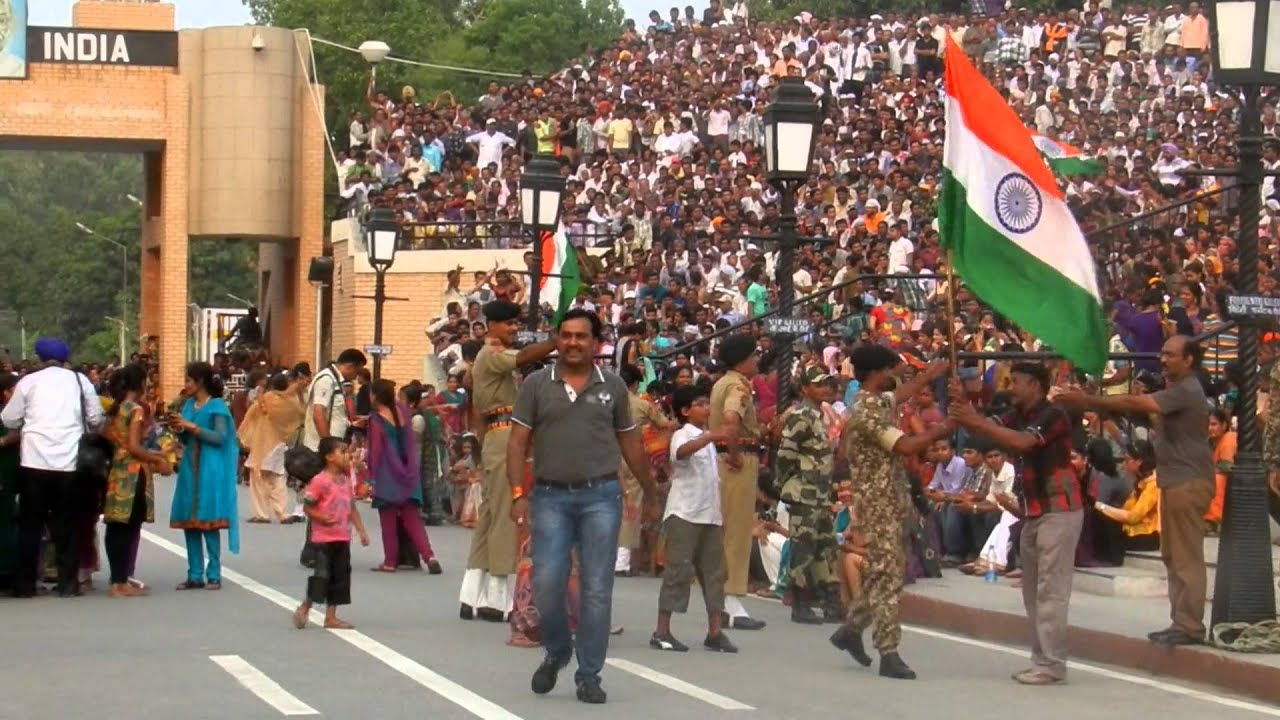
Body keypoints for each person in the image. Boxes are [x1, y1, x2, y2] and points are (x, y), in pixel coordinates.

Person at [507, 308, 655, 704]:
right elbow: (518, 442)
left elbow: (631, 443)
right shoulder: (536, 384)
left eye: (581, 336)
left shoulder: (615, 387)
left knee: (595, 590)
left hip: (601, 497)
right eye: (566, 335)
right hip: (550, 497)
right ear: (557, 339)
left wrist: (651, 491)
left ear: (596, 343)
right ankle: (558, 650)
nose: (573, 343)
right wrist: (517, 495)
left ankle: (589, 674)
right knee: (547, 584)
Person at [1058, 336, 1214, 646]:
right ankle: (1181, 622)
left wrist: (1088, 401)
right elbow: (1142, 410)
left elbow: (1135, 403)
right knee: (1173, 555)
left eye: (1171, 355)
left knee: (1186, 557)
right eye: (1162, 353)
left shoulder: (1187, 390)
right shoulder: (1175, 390)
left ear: (1189, 360)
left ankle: (1190, 626)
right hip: (1175, 480)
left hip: (1188, 481)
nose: (1163, 359)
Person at [950, 362, 1080, 685]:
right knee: (1033, 592)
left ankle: (1051, 664)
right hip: (1033, 511)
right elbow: (987, 430)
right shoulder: (1018, 415)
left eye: (1017, 382)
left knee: (1051, 590)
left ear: (1035, 385)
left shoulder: (1053, 415)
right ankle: (1042, 660)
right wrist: (963, 407)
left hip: (1059, 510)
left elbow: (1022, 442)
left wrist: (971, 418)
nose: (1011, 387)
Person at [832, 346, 950, 680]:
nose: (895, 374)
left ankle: (851, 629)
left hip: (891, 498)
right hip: (877, 501)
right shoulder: (866, 411)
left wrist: (928, 375)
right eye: (890, 369)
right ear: (874, 373)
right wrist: (947, 426)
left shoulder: (877, 400)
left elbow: (898, 395)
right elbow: (906, 446)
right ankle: (888, 650)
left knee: (888, 571)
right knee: (888, 576)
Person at [458, 300, 556, 621]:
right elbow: (526, 356)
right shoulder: (492, 353)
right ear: (494, 326)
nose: (515, 329)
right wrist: (558, 341)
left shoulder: (489, 358)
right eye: (511, 324)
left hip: (498, 435)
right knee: (505, 513)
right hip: (505, 434)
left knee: (490, 514)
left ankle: (472, 593)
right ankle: (499, 599)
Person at [2, 338, 103, 598]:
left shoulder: (28, 382)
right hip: (70, 465)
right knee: (67, 525)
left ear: (40, 358)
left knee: (30, 526)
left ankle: (25, 585)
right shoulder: (81, 382)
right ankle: (68, 583)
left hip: (33, 463)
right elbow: (95, 418)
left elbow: (9, 418)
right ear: (65, 358)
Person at [649, 384, 737, 654]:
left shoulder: (705, 438)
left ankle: (715, 631)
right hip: (685, 513)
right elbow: (680, 453)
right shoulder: (683, 434)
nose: (706, 408)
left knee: (714, 573)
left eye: (706, 403)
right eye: (700, 404)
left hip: (709, 514)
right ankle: (662, 631)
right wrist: (712, 436)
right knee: (678, 571)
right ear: (686, 411)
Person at [707, 333, 768, 631]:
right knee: (737, 530)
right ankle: (731, 602)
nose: (757, 360)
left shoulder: (721, 382)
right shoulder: (737, 385)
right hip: (737, 459)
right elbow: (731, 420)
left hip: (721, 459)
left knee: (726, 529)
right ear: (743, 361)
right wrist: (734, 454)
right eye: (754, 355)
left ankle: (723, 599)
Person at [168, 361, 240, 591]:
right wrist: (180, 430)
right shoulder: (189, 405)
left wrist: (191, 427)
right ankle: (195, 574)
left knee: (209, 522)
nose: (186, 385)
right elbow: (187, 438)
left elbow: (220, 437)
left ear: (200, 382)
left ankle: (214, 573)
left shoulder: (217, 407)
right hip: (190, 466)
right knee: (190, 522)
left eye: (189, 380)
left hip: (211, 467)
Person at [778, 365, 841, 624]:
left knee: (825, 548)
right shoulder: (801, 416)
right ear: (805, 389)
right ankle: (800, 604)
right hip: (804, 492)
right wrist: (789, 485)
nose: (825, 388)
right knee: (803, 549)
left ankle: (831, 603)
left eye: (827, 384)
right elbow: (786, 455)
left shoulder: (821, 415)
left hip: (821, 493)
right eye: (818, 384)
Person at [102, 363, 172, 598]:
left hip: (116, 471)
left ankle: (117, 579)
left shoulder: (116, 409)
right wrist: (157, 459)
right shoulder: (136, 410)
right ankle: (120, 583)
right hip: (132, 474)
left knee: (116, 526)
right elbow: (134, 446)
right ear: (140, 383)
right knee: (128, 527)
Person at [293, 436, 370, 630]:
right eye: (342, 452)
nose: (347, 456)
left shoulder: (345, 481)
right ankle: (305, 606)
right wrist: (320, 517)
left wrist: (361, 531)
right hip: (323, 539)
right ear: (329, 457)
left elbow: (351, 507)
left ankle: (331, 616)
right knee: (322, 575)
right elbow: (308, 507)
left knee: (340, 577)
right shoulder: (320, 481)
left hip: (342, 537)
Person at [367, 379, 441, 574]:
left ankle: (390, 561)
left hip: (387, 472)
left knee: (388, 519)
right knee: (412, 517)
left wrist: (371, 478)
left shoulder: (376, 419)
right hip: (408, 470)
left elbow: (375, 450)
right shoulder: (402, 412)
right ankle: (429, 556)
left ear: (375, 396)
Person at [241, 372, 305, 524]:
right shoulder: (291, 402)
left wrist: (259, 398)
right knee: (278, 478)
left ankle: (262, 513)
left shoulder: (267, 398)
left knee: (258, 478)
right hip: (280, 444)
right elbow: (301, 414)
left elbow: (251, 413)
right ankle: (282, 512)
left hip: (262, 443)